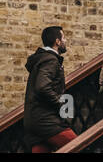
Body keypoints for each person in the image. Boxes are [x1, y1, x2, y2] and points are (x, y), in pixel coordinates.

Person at [24, 25, 75, 153]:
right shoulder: (51, 60)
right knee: (79, 145)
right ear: (57, 42)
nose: (66, 41)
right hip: (46, 120)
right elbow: (42, 86)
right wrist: (60, 102)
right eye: (63, 37)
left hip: (34, 120)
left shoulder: (42, 59)